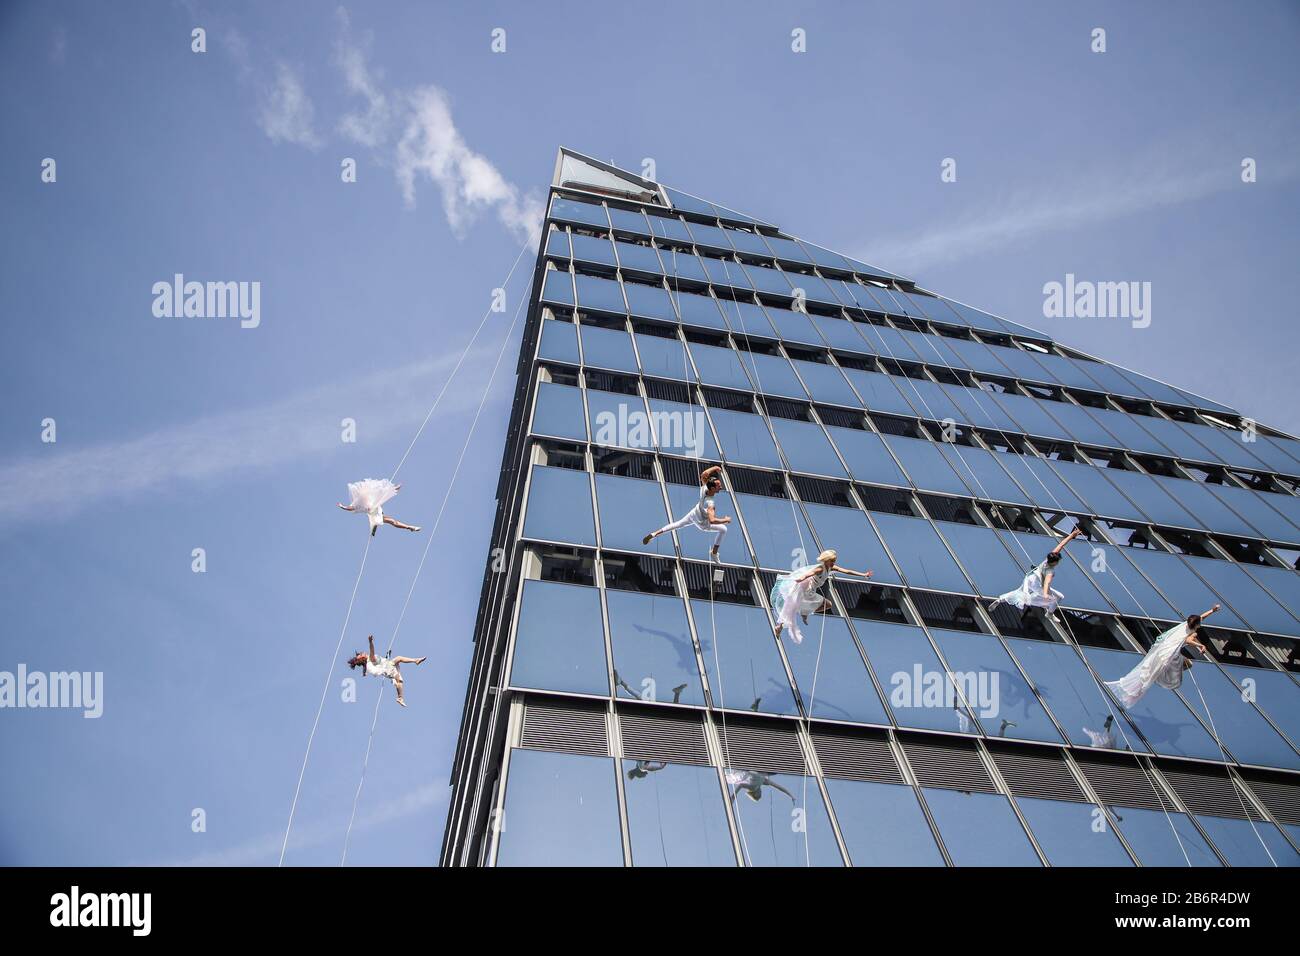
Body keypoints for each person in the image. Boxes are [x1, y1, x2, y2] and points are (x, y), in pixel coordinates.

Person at [1104, 606, 1218, 708]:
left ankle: (1131, 693)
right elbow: (1189, 640)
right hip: (1168, 653)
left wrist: (1212, 610)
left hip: (1163, 649)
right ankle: (1131, 694)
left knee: (1148, 673)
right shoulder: (1193, 632)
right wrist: (1201, 645)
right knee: (1152, 675)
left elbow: (1202, 616)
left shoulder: (1186, 624)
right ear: (1197, 624)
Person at [771, 549, 872, 643]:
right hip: (807, 591)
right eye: (832, 561)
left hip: (811, 591)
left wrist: (863, 574)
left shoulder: (831, 567)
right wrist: (801, 578)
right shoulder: (820, 568)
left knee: (826, 605)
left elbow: (847, 571)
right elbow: (808, 574)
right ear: (826, 561)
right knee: (791, 608)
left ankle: (802, 614)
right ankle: (790, 620)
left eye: (834, 561)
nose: (833, 563)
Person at [989, 527, 1083, 619]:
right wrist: (1046, 594)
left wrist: (1071, 536)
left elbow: (1060, 545)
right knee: (1058, 597)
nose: (1058, 563)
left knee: (1020, 592)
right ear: (1054, 562)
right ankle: (1049, 613)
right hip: (1037, 584)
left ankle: (1000, 599)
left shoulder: (1047, 559)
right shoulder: (1050, 570)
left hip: (1030, 578)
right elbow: (1046, 583)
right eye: (1057, 561)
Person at [642, 464, 732, 560]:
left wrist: (715, 468)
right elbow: (712, 520)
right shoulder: (710, 503)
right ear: (713, 488)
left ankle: (654, 534)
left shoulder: (705, 487)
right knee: (724, 529)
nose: (721, 487)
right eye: (719, 486)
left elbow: (704, 474)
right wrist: (725, 520)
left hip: (694, 513)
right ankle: (714, 553)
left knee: (677, 524)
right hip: (702, 523)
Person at [347, 635, 426, 707]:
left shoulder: (370, 660)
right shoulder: (370, 659)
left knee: (399, 658)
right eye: (360, 654)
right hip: (388, 670)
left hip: (389, 663)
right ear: (362, 658)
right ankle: (400, 698)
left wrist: (387, 656)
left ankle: (416, 660)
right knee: (399, 681)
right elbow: (372, 650)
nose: (362, 653)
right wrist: (370, 642)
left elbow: (381, 661)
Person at [338, 478, 421, 536]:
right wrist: (343, 507)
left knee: (392, 521)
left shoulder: (372, 496)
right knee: (390, 521)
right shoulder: (360, 504)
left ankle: (409, 527)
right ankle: (375, 526)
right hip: (374, 515)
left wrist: (396, 488)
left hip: (378, 512)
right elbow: (351, 508)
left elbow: (385, 492)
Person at [725, 769, 794, 803]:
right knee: (776, 772)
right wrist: (790, 795)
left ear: (755, 794)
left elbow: (741, 785)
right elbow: (779, 787)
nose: (761, 793)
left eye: (759, 795)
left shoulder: (753, 787)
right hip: (759, 770)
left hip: (748, 770)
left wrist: (734, 795)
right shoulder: (763, 782)